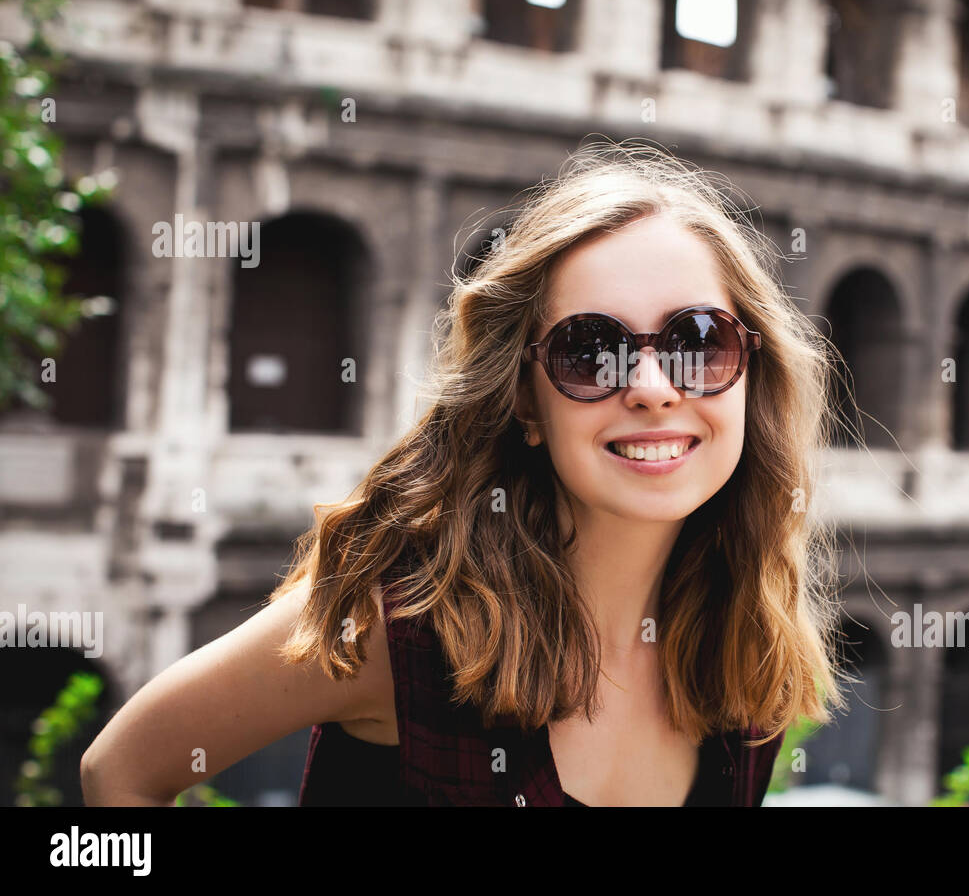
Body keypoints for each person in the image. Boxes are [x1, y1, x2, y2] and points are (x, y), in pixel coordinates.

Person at [81, 139, 851, 807]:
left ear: (750, 371)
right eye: (590, 351)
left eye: (698, 341)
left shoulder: (747, 657)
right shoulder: (405, 626)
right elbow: (121, 769)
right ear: (524, 400)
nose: (652, 386)